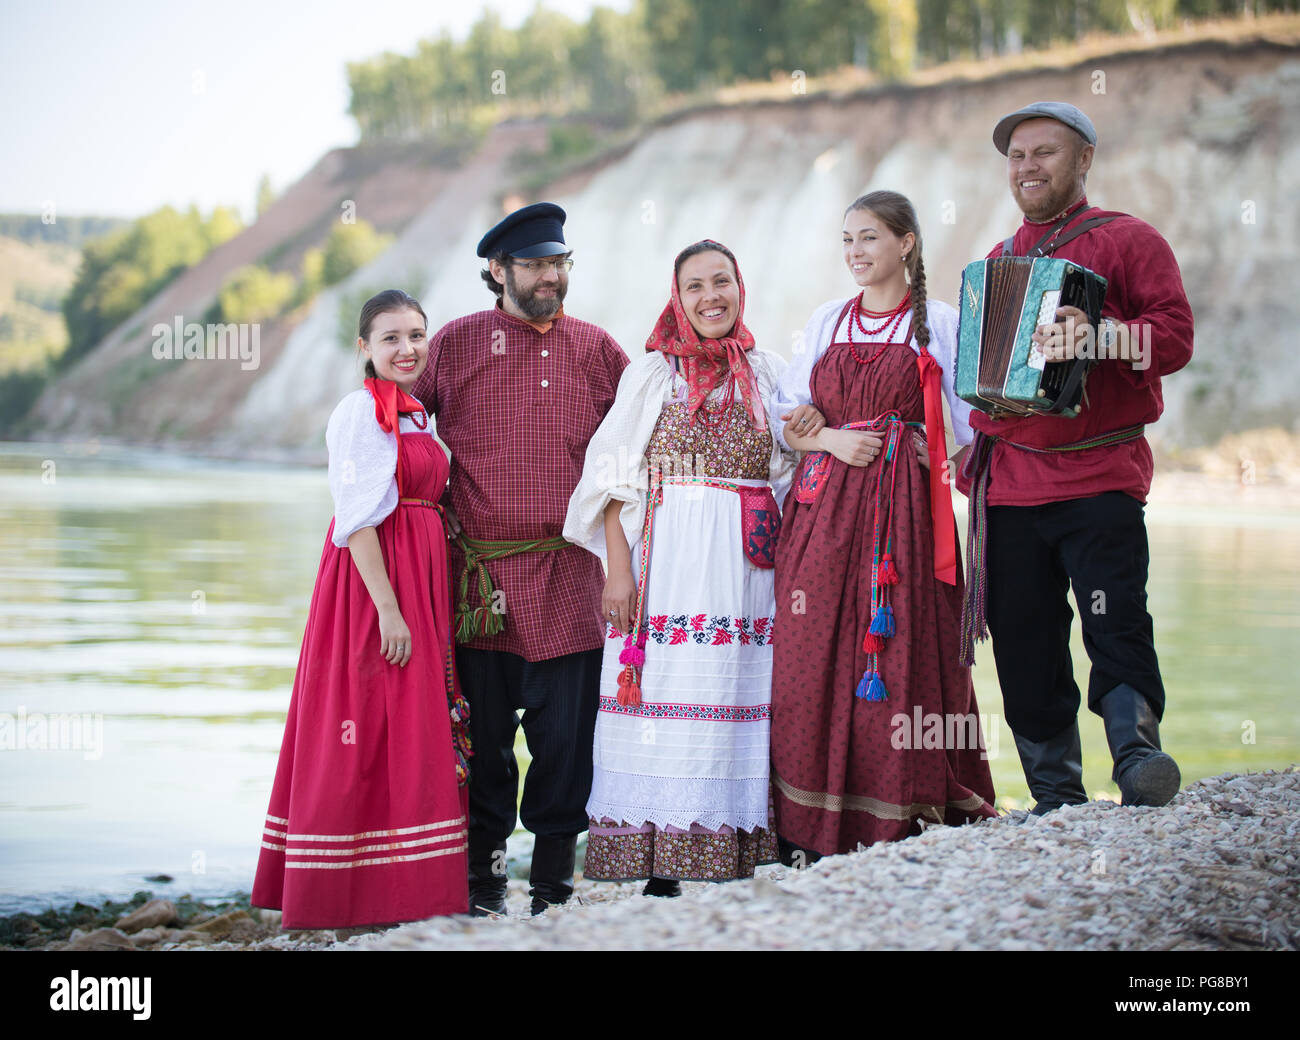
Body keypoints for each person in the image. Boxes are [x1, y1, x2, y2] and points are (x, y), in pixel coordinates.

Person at [956, 101, 1193, 814]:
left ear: (1084, 159)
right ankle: (1056, 798)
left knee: (1113, 620)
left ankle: (1137, 759)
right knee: (1025, 642)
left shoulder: (1128, 239)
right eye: (1017, 156)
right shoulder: (997, 262)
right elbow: (982, 383)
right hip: (1010, 489)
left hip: (1099, 477)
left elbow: (1174, 339)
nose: (1028, 167)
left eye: (1044, 153)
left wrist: (1101, 336)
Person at [411, 203, 629, 916]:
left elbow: (634, 458)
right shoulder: (454, 344)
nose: (550, 276)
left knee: (566, 744)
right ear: (498, 271)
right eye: (535, 264)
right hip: (478, 584)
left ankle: (552, 891)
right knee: (487, 745)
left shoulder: (599, 350)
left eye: (558, 263)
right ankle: (482, 891)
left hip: (571, 578)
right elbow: (398, 427)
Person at [564, 240, 796, 894]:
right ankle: (658, 866)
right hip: (663, 564)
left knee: (731, 692)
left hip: (748, 571)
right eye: (695, 286)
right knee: (659, 701)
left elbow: (791, 472)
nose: (710, 296)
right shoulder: (652, 376)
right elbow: (613, 480)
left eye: (721, 281)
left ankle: (732, 851)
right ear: (678, 297)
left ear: (740, 287)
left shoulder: (771, 373)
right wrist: (618, 572)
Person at [771, 191, 997, 861]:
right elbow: (790, 416)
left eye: (868, 238)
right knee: (808, 654)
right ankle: (807, 825)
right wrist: (827, 437)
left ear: (907, 244)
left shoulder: (943, 325)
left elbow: (970, 427)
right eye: (847, 240)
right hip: (822, 514)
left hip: (905, 516)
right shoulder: (824, 322)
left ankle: (900, 817)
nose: (855, 253)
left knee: (901, 653)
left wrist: (932, 449)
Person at [252, 289, 470, 929]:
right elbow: (357, 522)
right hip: (373, 585)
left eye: (416, 336)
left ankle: (409, 890)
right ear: (364, 349)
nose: (407, 349)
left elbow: (429, 500)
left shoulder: (416, 414)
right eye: (391, 338)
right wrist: (390, 610)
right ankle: (349, 894)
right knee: (368, 719)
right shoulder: (360, 412)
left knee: (410, 721)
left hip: (419, 578)